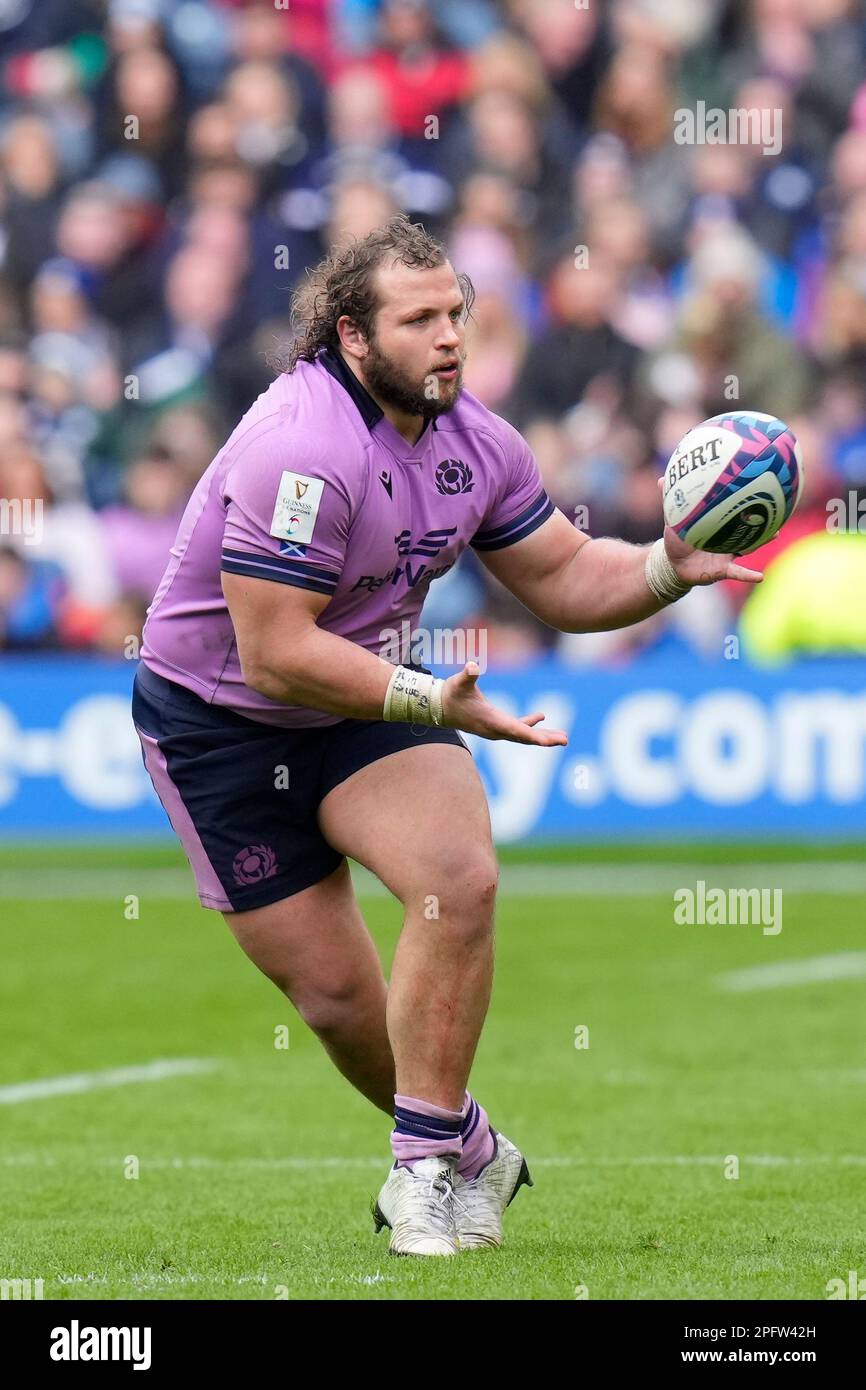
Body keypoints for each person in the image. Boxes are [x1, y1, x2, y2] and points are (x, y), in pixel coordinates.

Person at [132, 216, 760, 1257]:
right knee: (337, 999)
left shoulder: (476, 441)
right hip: (220, 723)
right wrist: (430, 697)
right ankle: (468, 1144)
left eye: (455, 313)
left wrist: (662, 565)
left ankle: (416, 1174)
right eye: (418, 319)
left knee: (455, 877)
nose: (449, 338)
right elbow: (275, 650)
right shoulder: (302, 446)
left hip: (365, 707)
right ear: (351, 337)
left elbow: (560, 575)